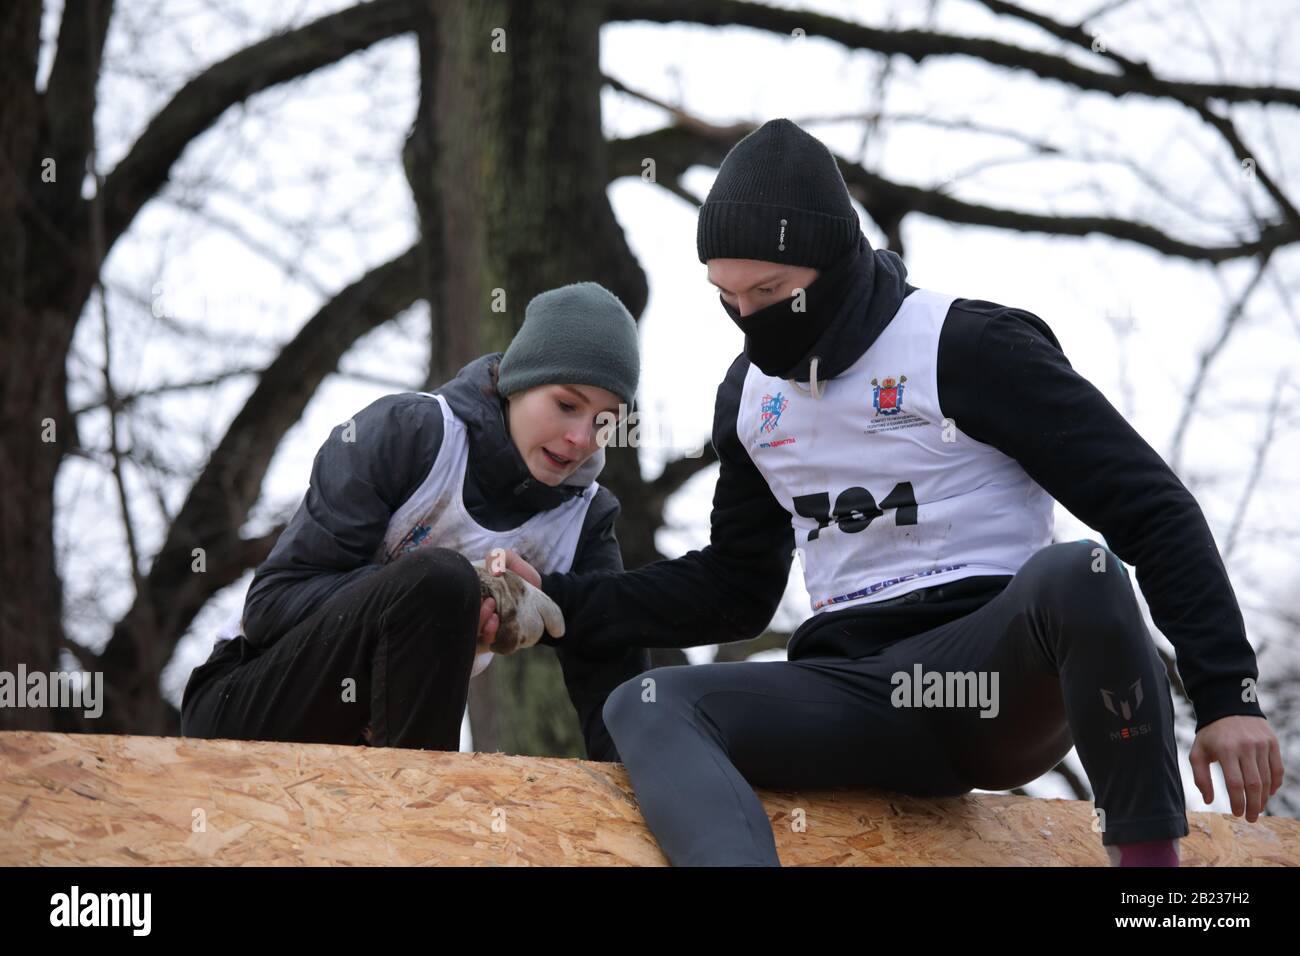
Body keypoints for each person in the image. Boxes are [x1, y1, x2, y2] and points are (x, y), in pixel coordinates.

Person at [529, 119, 1284, 866]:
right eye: (728, 298)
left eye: (771, 291)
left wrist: (1226, 695)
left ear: (833, 263)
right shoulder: (751, 397)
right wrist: (561, 603)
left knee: (1079, 572)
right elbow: (735, 586)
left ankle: (1152, 890)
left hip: (992, 682)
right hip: (854, 695)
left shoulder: (966, 346)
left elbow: (1150, 507)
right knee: (649, 702)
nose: (751, 320)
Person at [181, 282, 647, 760]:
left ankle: (417, 821)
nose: (579, 438)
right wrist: (456, 592)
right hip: (248, 705)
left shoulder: (584, 520)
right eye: (567, 405)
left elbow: (617, 690)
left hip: (375, 749)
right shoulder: (409, 433)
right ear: (517, 381)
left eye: (605, 421)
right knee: (442, 581)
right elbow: (269, 607)